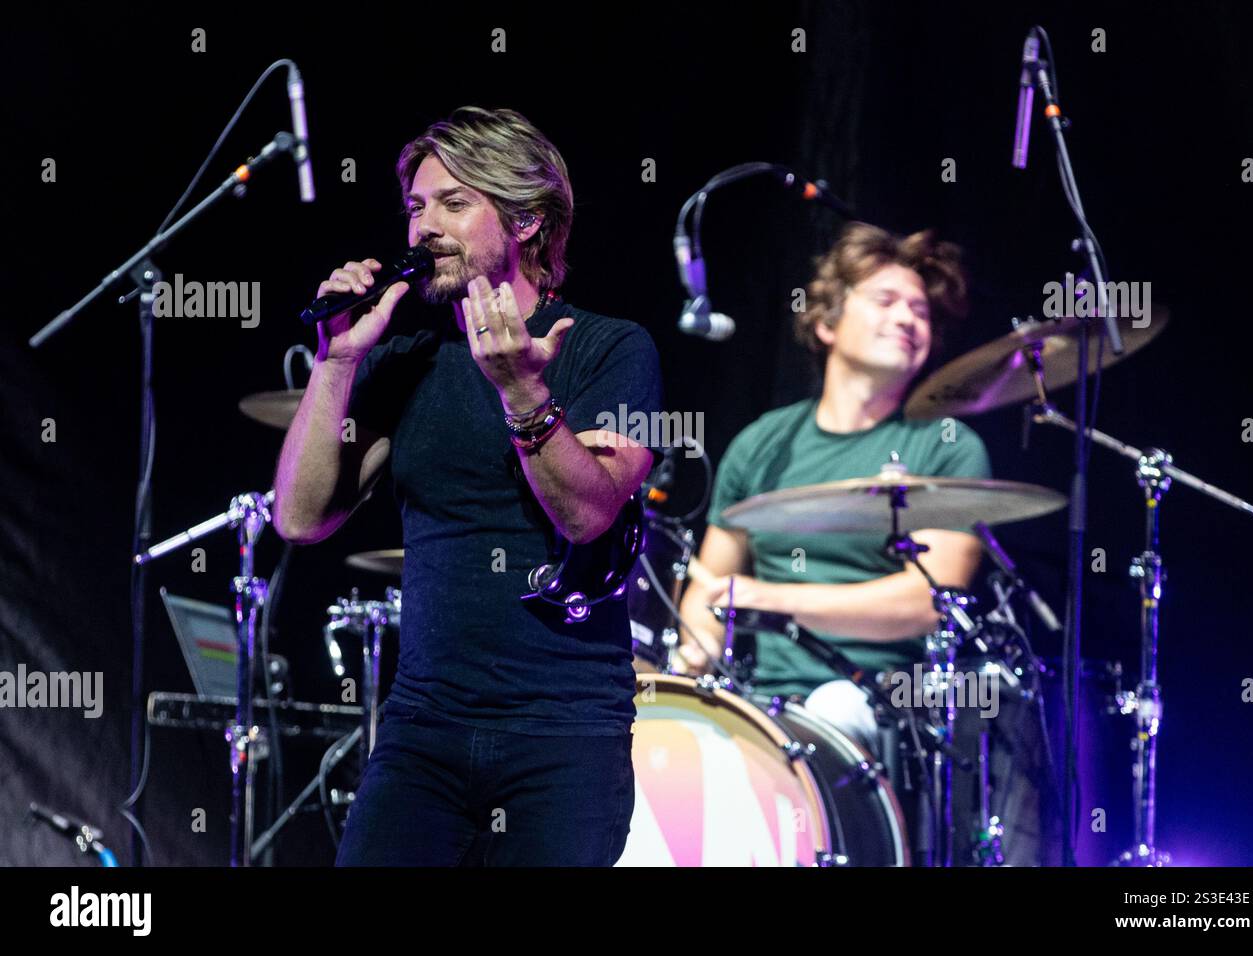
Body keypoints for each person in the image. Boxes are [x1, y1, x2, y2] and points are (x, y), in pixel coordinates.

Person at [273, 106, 663, 866]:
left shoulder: (608, 348)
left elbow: (586, 514)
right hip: (423, 732)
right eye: (416, 207)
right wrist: (338, 360)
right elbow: (298, 516)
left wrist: (523, 394)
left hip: (564, 739)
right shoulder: (407, 359)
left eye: (454, 203)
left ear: (525, 221)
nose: (423, 227)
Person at [677, 222, 1052, 865]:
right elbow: (705, 591)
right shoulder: (761, 443)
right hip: (760, 698)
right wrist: (690, 657)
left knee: (834, 705)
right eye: (886, 300)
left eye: (921, 310)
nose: (909, 317)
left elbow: (927, 602)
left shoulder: (947, 447)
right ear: (825, 323)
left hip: (882, 697)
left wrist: (766, 597)